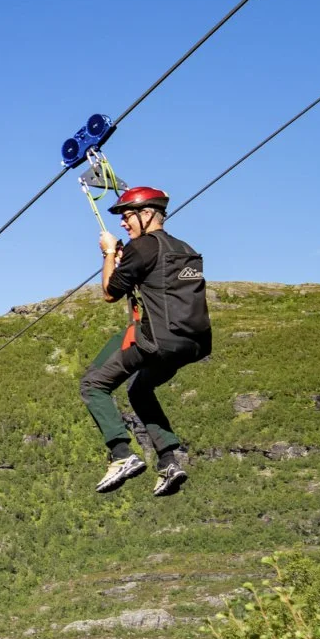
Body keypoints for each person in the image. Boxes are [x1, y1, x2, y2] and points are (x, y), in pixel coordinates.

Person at [81, 185, 211, 496]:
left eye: (127, 217)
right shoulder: (185, 249)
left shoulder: (143, 248)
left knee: (93, 385)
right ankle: (169, 461)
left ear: (147, 214)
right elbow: (157, 283)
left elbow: (110, 292)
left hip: (156, 340)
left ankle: (121, 454)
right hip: (191, 344)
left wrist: (109, 253)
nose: (123, 224)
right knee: (139, 389)